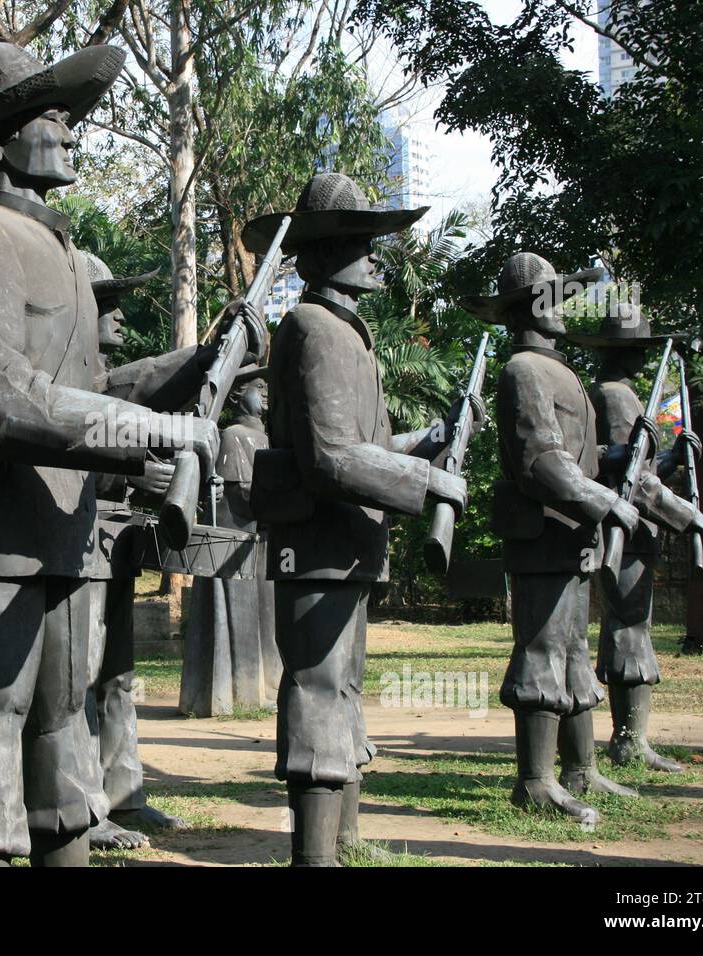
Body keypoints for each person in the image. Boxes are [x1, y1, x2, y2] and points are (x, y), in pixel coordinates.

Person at [0, 32, 220, 867]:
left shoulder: (70, 258)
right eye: (52, 114)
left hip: (66, 535)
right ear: (0, 141)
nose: (72, 129)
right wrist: (155, 432)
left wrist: (196, 366)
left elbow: (93, 394)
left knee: (62, 750)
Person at [243, 172, 471, 865]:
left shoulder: (345, 333)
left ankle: (341, 843)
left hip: (343, 541)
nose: (376, 256)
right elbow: (332, 459)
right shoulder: (314, 329)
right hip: (315, 540)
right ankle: (316, 856)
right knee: (317, 689)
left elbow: (364, 450)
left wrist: (428, 441)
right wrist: (427, 480)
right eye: (359, 242)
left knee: (340, 687)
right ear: (322, 255)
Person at [81, 252, 258, 849]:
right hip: (77, 542)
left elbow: (143, 389)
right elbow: (111, 409)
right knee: (80, 676)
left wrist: (216, 348)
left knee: (119, 674)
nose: (122, 318)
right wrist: (139, 473)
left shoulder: (99, 370)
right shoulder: (72, 371)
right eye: (111, 306)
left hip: (115, 538)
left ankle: (125, 794)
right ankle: (82, 803)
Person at [464, 252, 643, 825]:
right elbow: (541, 461)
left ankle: (580, 767)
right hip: (542, 530)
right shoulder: (523, 371)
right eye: (553, 297)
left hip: (572, 533)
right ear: (529, 308)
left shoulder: (560, 372)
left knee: (572, 653)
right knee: (541, 650)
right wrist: (603, 500)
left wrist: (619, 461)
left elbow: (578, 456)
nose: (564, 306)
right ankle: (534, 780)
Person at [565, 304, 703, 774]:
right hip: (625, 527)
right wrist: (686, 516)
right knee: (629, 628)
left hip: (628, 526)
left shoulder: (611, 392)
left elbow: (637, 468)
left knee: (631, 626)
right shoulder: (616, 397)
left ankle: (631, 737)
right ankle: (628, 740)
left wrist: (671, 457)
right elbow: (635, 482)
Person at [181, 367, 281, 717]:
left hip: (263, 543)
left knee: (269, 621)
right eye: (257, 386)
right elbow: (241, 493)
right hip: (236, 545)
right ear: (237, 395)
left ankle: (267, 686)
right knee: (242, 621)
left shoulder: (267, 438)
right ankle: (243, 689)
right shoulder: (234, 435)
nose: (264, 392)